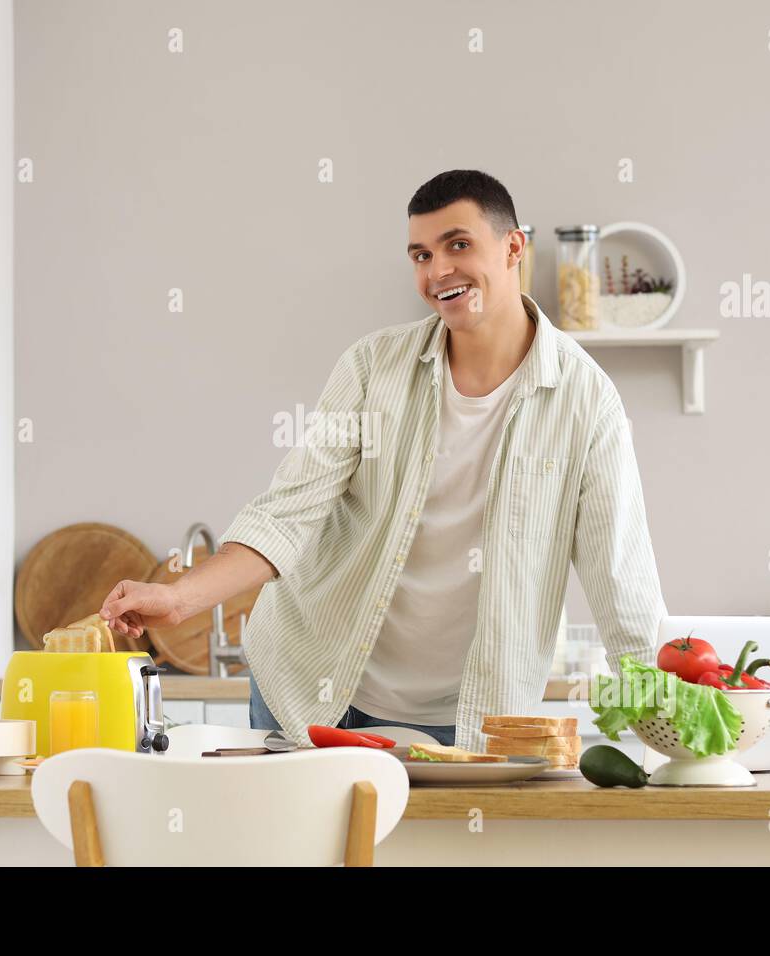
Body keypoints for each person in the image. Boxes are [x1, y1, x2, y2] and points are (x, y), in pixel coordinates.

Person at [101, 169, 667, 750]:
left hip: (467, 718)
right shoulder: (372, 369)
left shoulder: (586, 400)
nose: (438, 270)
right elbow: (287, 515)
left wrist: (677, 731)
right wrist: (178, 598)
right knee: (298, 845)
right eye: (421, 254)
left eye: (459, 244)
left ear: (514, 247)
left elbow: (618, 573)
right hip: (311, 688)